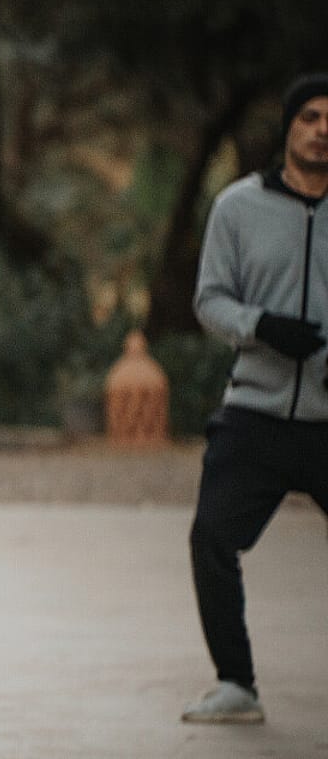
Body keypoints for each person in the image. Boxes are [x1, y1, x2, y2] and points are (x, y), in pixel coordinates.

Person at [182, 72, 328, 724]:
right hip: (256, 410)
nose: (324, 130)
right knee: (212, 535)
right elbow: (209, 299)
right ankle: (236, 683)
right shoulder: (237, 207)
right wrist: (262, 326)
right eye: (311, 117)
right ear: (290, 126)